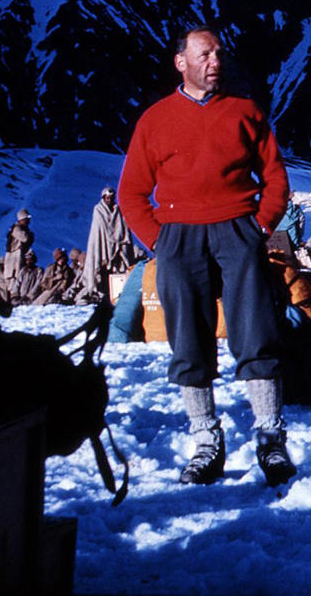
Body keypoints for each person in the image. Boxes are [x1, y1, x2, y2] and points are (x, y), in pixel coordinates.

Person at [118, 26, 295, 487]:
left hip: (238, 229)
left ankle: (271, 437)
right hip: (179, 238)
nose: (215, 61)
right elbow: (132, 192)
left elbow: (275, 177)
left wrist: (258, 227)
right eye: (204, 54)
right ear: (181, 62)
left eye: (218, 53)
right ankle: (205, 441)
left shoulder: (245, 112)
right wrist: (160, 242)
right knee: (188, 340)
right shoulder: (154, 121)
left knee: (257, 330)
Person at [78, 186, 144, 302]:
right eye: (107, 198)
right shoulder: (98, 211)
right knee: (102, 272)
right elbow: (97, 232)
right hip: (102, 248)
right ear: (103, 198)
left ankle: (116, 295)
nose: (109, 200)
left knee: (118, 271)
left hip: (118, 248)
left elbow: (123, 227)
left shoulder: (118, 211)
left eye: (111, 198)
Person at [3, 208, 34, 286]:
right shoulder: (16, 228)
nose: (28, 221)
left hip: (19, 254)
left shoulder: (24, 229)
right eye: (26, 219)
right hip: (14, 255)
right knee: (13, 276)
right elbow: (25, 238)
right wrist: (29, 236)